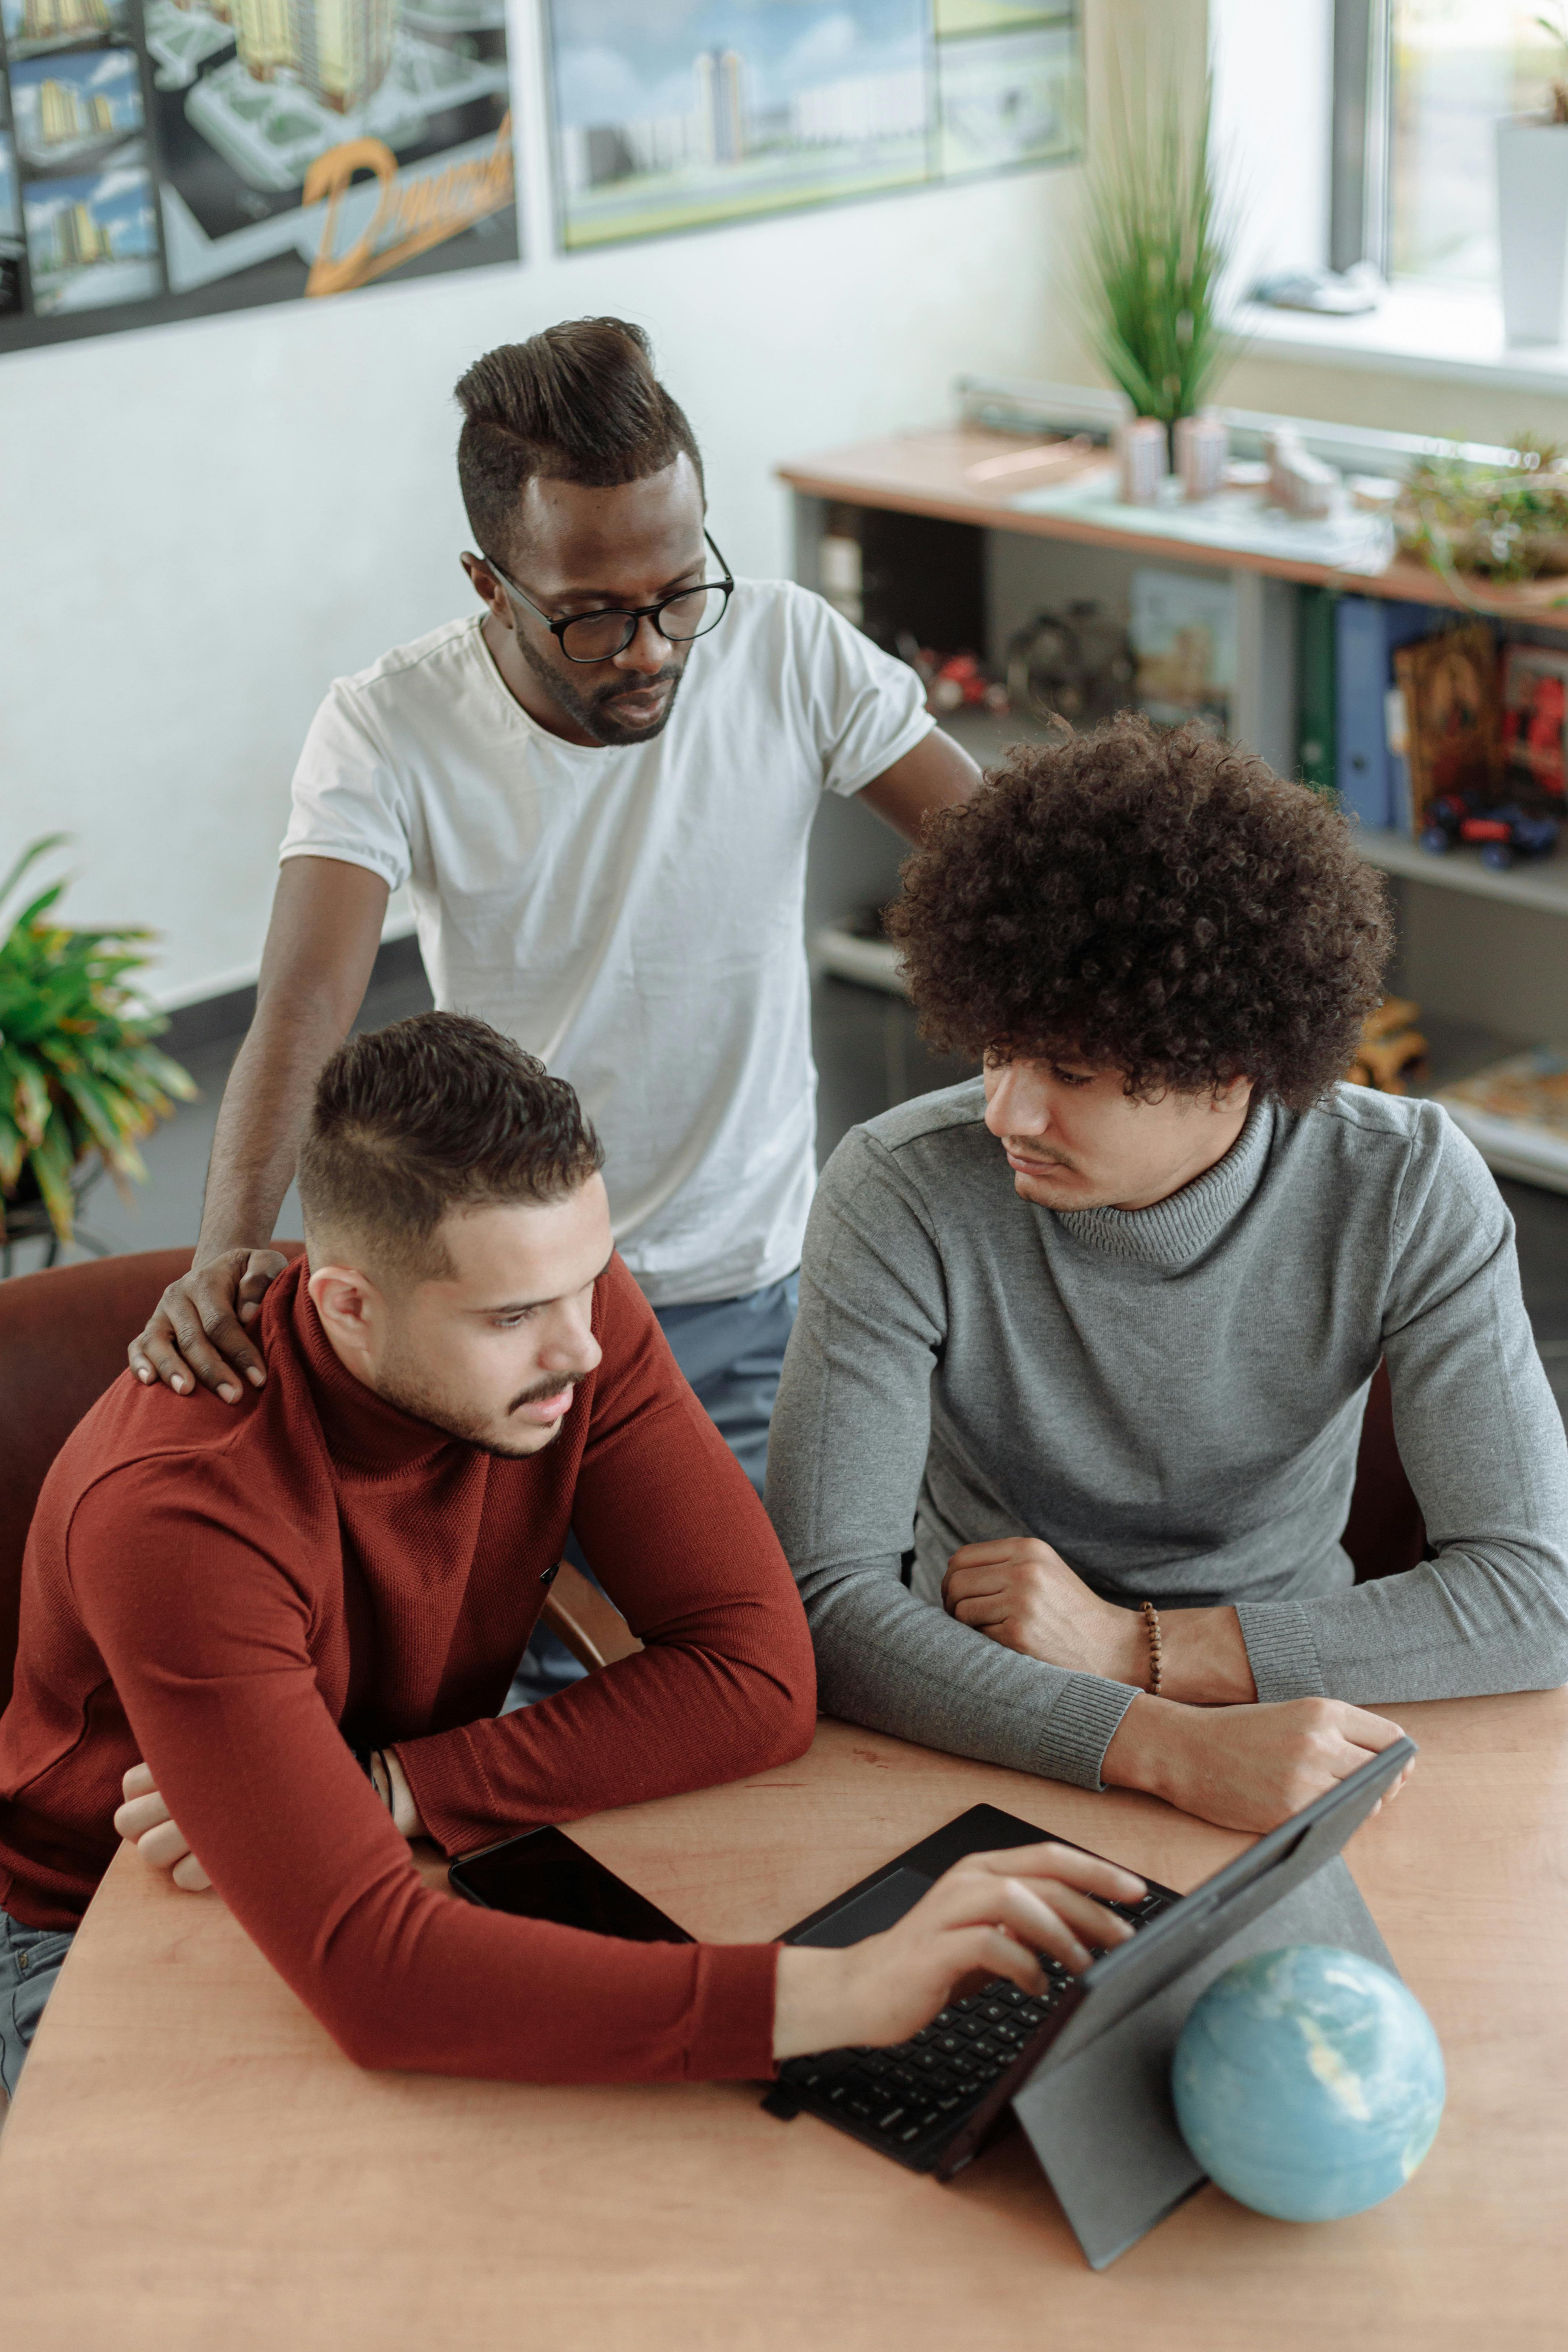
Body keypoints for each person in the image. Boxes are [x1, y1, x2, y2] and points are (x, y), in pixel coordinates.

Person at [0, 1012, 1144, 2096]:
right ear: (346, 1303)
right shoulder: (177, 1512)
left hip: (384, 1856)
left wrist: (400, 1787)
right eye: (510, 1319)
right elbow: (379, 1983)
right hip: (102, 1918)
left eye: (587, 1279)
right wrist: (842, 1989)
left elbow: (757, 1676)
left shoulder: (565, 1310)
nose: (584, 1347)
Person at [126, 315, 976, 1519]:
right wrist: (225, 1251)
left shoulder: (781, 646)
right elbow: (308, 999)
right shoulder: (389, 726)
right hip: (516, 1300)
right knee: (528, 1655)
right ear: (489, 583)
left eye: (681, 594)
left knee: (767, 1650)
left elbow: (1001, 858)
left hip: (752, 1282)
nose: (649, 650)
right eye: (592, 614)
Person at [765, 717, 1568, 1836]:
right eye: (994, 1049)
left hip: (1303, 1715)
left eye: (1072, 1071)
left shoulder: (1404, 1185)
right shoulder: (898, 1190)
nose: (1006, 1112)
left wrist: (1138, 1650)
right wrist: (1159, 1745)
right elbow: (825, 1605)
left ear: (1229, 1064)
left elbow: (1531, 1600)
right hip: (976, 1705)